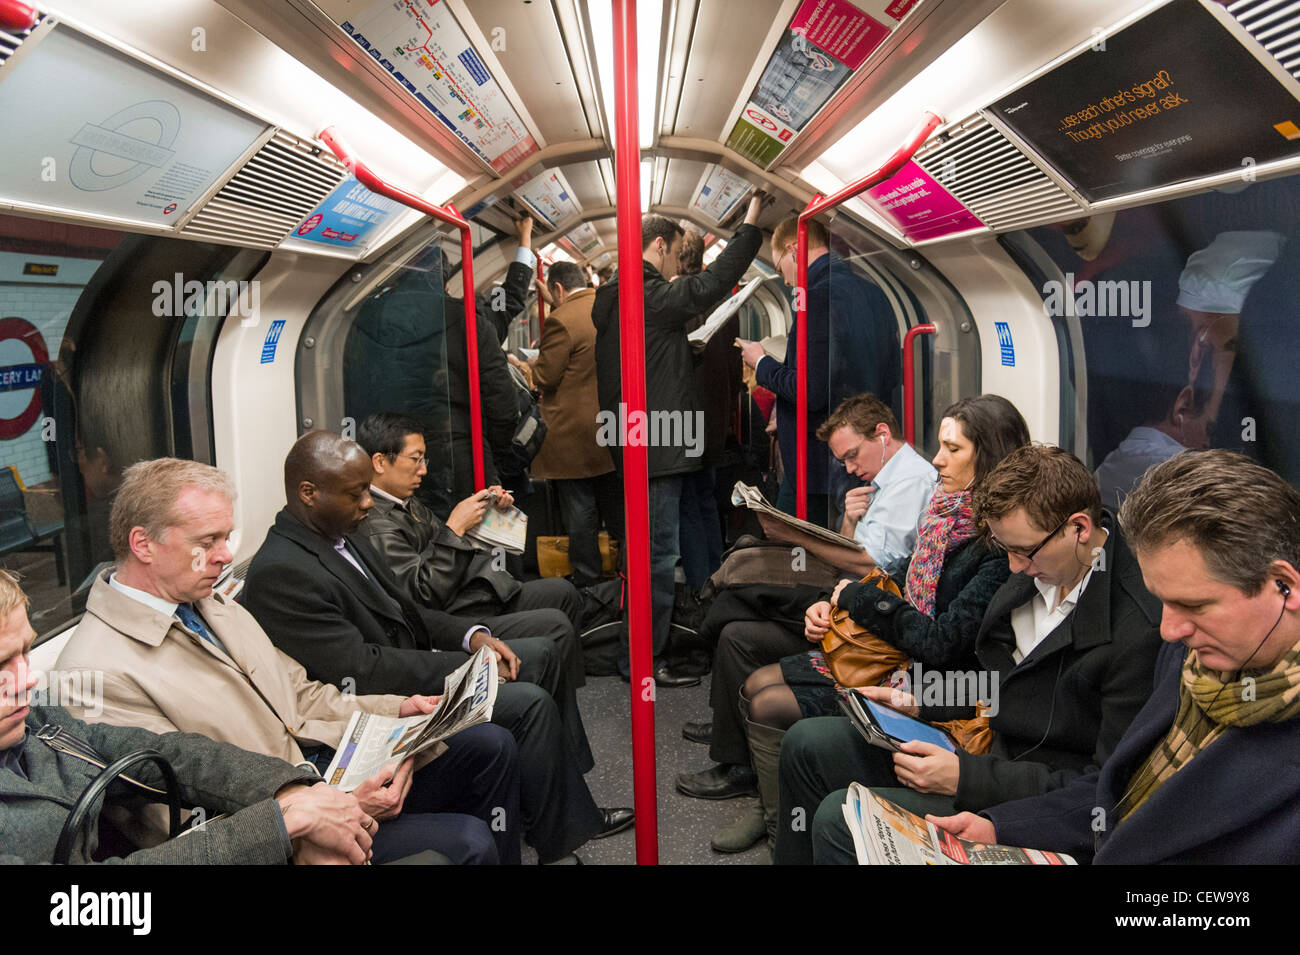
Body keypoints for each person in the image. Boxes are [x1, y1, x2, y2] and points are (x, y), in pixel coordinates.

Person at [54, 458, 519, 864]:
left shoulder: (214, 606)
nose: (225, 556)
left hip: (321, 769)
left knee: (488, 746)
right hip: (283, 833)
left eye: (227, 537)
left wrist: (398, 709)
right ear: (144, 545)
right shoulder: (93, 673)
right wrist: (334, 809)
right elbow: (173, 823)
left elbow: (300, 695)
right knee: (468, 841)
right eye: (208, 540)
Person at [242, 430, 633, 863]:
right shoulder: (282, 572)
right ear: (309, 493)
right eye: (356, 495)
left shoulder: (342, 532)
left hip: (406, 666)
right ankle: (559, 832)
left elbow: (408, 610)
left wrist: (475, 638)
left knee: (541, 653)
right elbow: (362, 669)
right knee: (529, 704)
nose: (368, 504)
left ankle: (556, 799)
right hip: (373, 702)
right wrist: (467, 668)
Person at [784, 445, 1163, 864]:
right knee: (807, 743)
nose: (1016, 567)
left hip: (1029, 800)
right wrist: (920, 699)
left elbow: (1104, 789)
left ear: (1079, 527)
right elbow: (1005, 686)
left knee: (836, 820)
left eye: (1025, 552)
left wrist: (967, 778)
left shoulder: (1135, 630)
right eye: (1008, 551)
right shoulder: (1039, 570)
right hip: (986, 751)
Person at [922, 451, 1300, 864]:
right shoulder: (1192, 657)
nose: (1169, 629)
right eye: (1163, 602)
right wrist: (1001, 826)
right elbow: (1115, 791)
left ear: (1283, 586)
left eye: (1192, 605)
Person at [706, 394, 1025, 855]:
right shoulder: (945, 514)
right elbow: (900, 574)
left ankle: (779, 818)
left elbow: (941, 642)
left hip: (929, 680)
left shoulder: (997, 548)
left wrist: (856, 599)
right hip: (896, 650)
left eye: (952, 449)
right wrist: (838, 604)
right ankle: (773, 801)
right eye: (940, 446)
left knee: (769, 698)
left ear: (988, 453)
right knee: (751, 663)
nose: (936, 460)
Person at [0, 570, 378, 865]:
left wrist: (295, 793)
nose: (26, 679)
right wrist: (284, 823)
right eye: (2, 663)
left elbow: (166, 754)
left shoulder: (36, 721)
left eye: (26, 652)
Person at [676, 392, 935, 807]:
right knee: (736, 620)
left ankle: (738, 755)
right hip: (846, 598)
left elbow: (869, 562)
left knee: (740, 622)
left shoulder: (910, 481)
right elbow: (857, 557)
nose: (850, 469)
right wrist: (849, 521)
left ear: (882, 434)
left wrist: (793, 535)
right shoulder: (883, 481)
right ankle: (732, 728)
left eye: (852, 456)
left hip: (864, 621)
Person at [591, 195, 764, 686]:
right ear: (660, 245)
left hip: (641, 443)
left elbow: (640, 366)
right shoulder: (642, 293)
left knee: (647, 556)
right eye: (669, 257)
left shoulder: (620, 297)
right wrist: (751, 221)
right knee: (656, 559)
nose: (671, 268)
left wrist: (679, 354)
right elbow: (710, 284)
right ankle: (644, 662)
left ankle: (642, 653)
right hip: (656, 452)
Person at [355, 412, 585, 693]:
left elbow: (448, 547)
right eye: (415, 459)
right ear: (379, 462)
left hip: (472, 592)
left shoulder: (406, 504)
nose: (423, 470)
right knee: (555, 624)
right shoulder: (375, 523)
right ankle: (552, 701)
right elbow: (421, 594)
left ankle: (568, 695)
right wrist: (454, 528)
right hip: (453, 613)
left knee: (563, 592)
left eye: (423, 460)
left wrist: (487, 517)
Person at [737, 216, 901, 529]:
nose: (784, 280)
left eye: (779, 265)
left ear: (794, 249)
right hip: (866, 452)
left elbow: (809, 390)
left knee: (803, 549)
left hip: (819, 461)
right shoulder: (875, 293)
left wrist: (761, 363)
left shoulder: (815, 298)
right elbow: (892, 373)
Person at [527, 262, 616, 588]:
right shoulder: (608, 307)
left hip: (574, 438)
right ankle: (624, 575)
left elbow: (546, 377)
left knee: (580, 513)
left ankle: (589, 581)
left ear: (559, 290)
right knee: (615, 508)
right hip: (612, 429)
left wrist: (531, 363)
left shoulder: (560, 320)